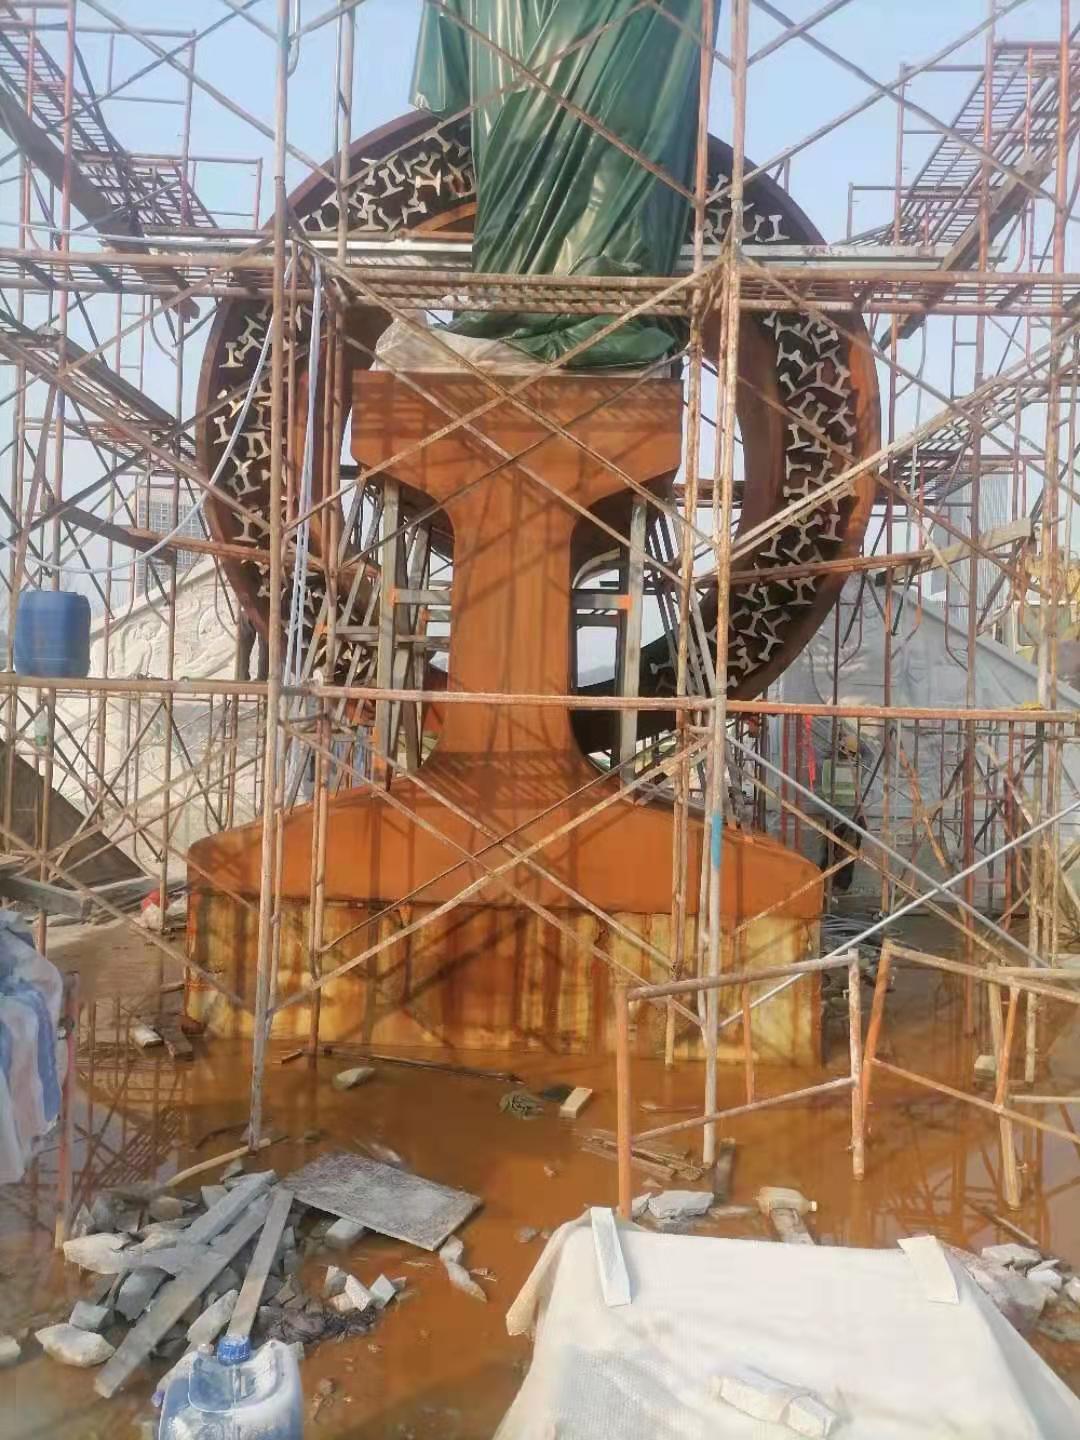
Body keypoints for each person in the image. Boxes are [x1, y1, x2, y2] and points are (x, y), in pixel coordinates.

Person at [818, 726, 866, 893]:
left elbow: (823, 754)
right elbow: (869, 754)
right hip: (848, 816)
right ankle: (837, 886)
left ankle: (825, 883)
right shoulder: (857, 766)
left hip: (837, 815)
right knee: (845, 853)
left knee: (832, 852)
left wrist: (842, 739)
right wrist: (852, 737)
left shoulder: (829, 764)